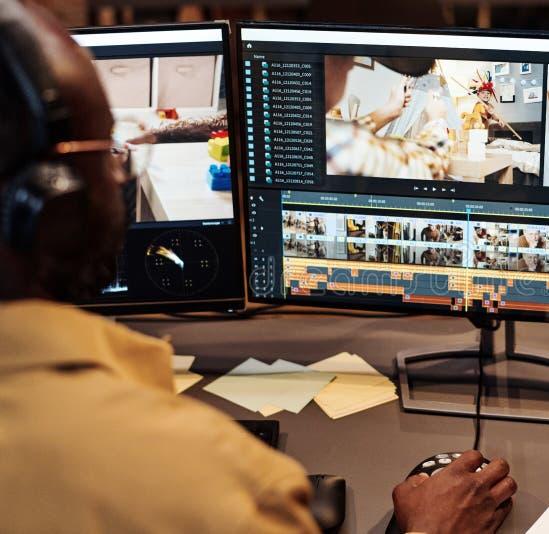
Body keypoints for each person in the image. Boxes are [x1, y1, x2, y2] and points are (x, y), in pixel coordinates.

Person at [0, 2, 516, 532]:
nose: (121, 166)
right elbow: (430, 162)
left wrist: (384, 116)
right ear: (50, 207)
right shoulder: (213, 481)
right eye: (107, 147)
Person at [325, 55, 453, 180]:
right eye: (345, 57)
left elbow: (345, 135)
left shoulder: (322, 136)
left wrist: (390, 109)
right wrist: (437, 120)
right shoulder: (347, 147)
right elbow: (425, 168)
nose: (350, 65)